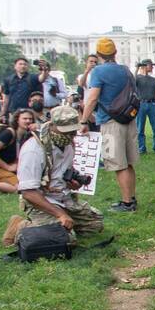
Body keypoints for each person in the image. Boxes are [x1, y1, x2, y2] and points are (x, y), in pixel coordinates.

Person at [13, 104, 104, 245]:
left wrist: (74, 181)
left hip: (63, 197)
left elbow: (64, 169)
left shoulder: (68, 143)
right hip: (41, 202)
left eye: (73, 131)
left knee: (95, 224)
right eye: (66, 132)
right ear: (52, 125)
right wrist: (59, 214)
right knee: (66, 239)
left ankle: (58, 225)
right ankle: (21, 227)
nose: (71, 135)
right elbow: (28, 192)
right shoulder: (33, 150)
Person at [79, 37, 139, 213]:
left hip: (110, 121)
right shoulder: (125, 70)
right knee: (128, 162)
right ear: (115, 52)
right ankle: (132, 198)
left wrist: (83, 120)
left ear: (99, 54)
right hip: (128, 119)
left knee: (117, 163)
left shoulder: (98, 72)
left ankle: (127, 203)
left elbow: (92, 98)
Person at [0, 108, 37, 192]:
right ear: (17, 120)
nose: (28, 121)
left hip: (11, 167)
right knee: (21, 189)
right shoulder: (9, 133)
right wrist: (8, 167)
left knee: (31, 184)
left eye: (30, 119)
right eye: (24, 118)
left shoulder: (27, 135)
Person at [135, 59, 155, 154]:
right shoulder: (137, 78)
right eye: (150, 65)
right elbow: (131, 83)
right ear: (144, 66)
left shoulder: (154, 80)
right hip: (141, 104)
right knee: (140, 128)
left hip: (152, 104)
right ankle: (142, 148)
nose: (152, 67)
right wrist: (136, 69)